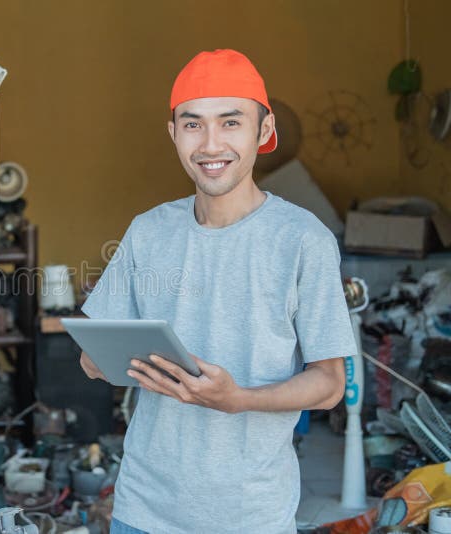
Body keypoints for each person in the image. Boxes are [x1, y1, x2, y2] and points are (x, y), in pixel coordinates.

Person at [79, 49, 356, 534]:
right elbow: (92, 357)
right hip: (142, 510)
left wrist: (240, 399)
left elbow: (330, 385)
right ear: (173, 134)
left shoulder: (302, 240)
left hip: (249, 515)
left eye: (231, 123)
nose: (210, 144)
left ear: (264, 132)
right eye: (193, 124)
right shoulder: (148, 231)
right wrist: (106, 361)